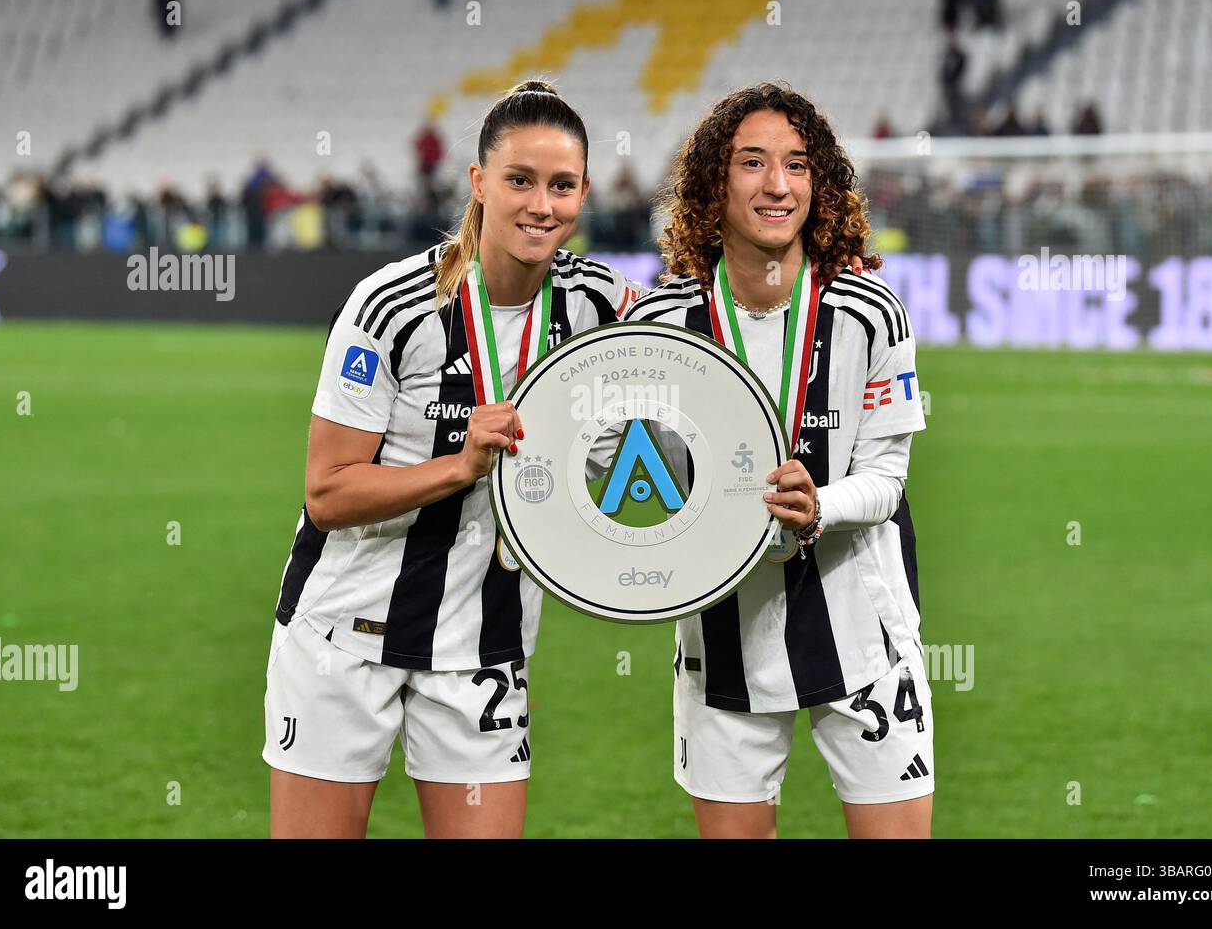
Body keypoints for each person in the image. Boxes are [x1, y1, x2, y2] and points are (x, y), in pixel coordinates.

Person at [264, 81, 638, 838]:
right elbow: (327, 494)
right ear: (478, 183)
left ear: (585, 194)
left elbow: (714, 331)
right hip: (347, 635)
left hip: (484, 648)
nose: (542, 205)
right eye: (520, 181)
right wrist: (459, 466)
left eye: (562, 186)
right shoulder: (393, 304)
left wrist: (826, 261)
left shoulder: (602, 305)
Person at [625, 83, 933, 838]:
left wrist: (819, 503)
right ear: (714, 183)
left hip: (863, 631)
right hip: (723, 638)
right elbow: (621, 463)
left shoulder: (869, 308)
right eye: (753, 163)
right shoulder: (662, 323)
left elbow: (888, 480)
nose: (778, 184)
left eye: (797, 165)